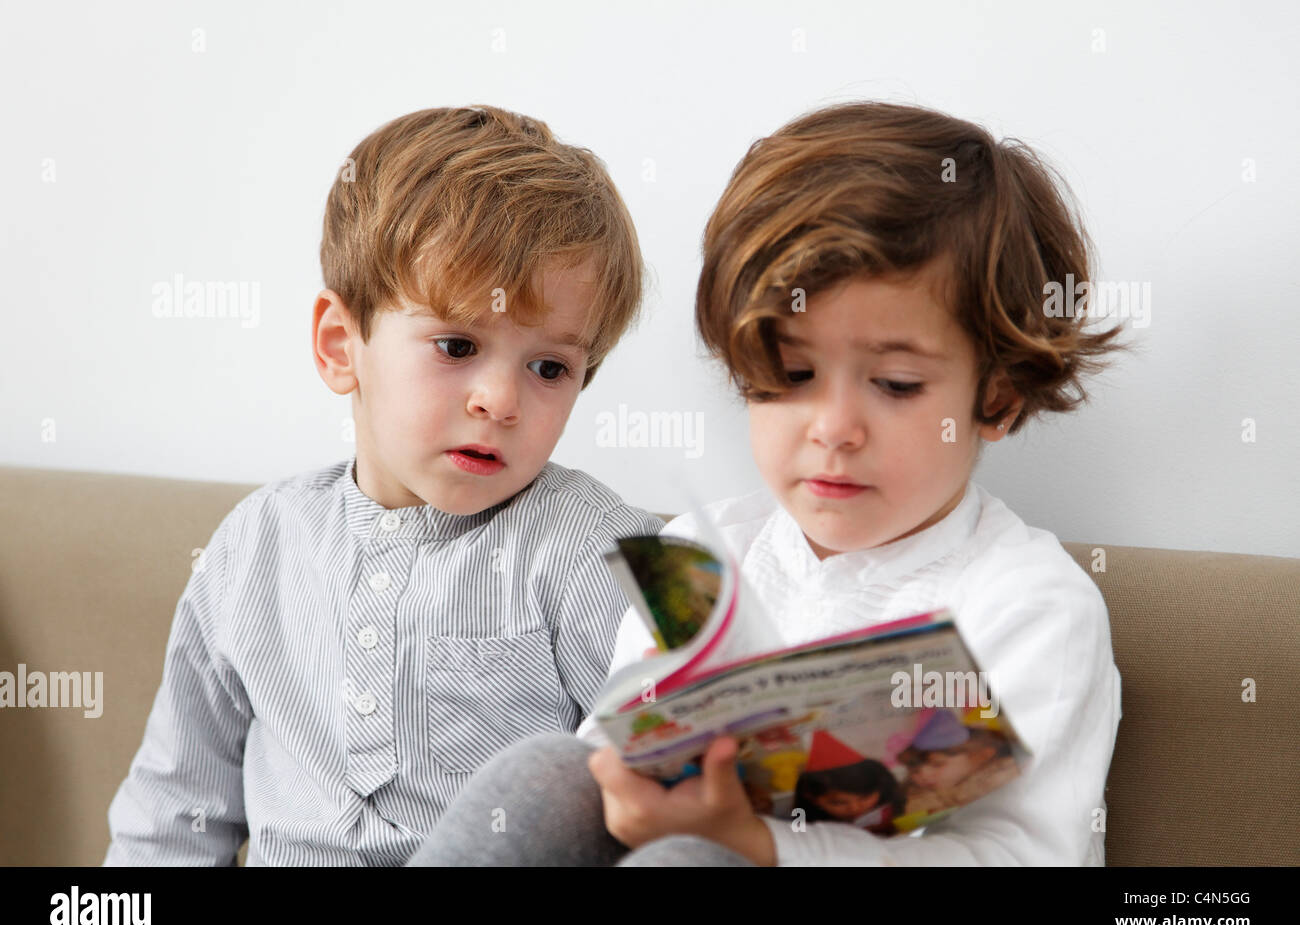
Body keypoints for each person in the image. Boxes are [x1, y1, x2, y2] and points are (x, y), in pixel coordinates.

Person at [405, 99, 1133, 867]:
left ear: (998, 397)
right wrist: (634, 790)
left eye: (894, 384)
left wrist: (762, 847)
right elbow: (620, 744)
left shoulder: (1030, 605)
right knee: (548, 773)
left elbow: (1022, 856)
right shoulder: (701, 556)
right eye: (792, 375)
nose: (834, 428)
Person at [103, 105, 663, 865]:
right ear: (342, 348)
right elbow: (173, 810)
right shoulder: (254, 546)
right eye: (457, 344)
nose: (500, 401)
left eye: (549, 367)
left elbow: (673, 769)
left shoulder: (589, 547)